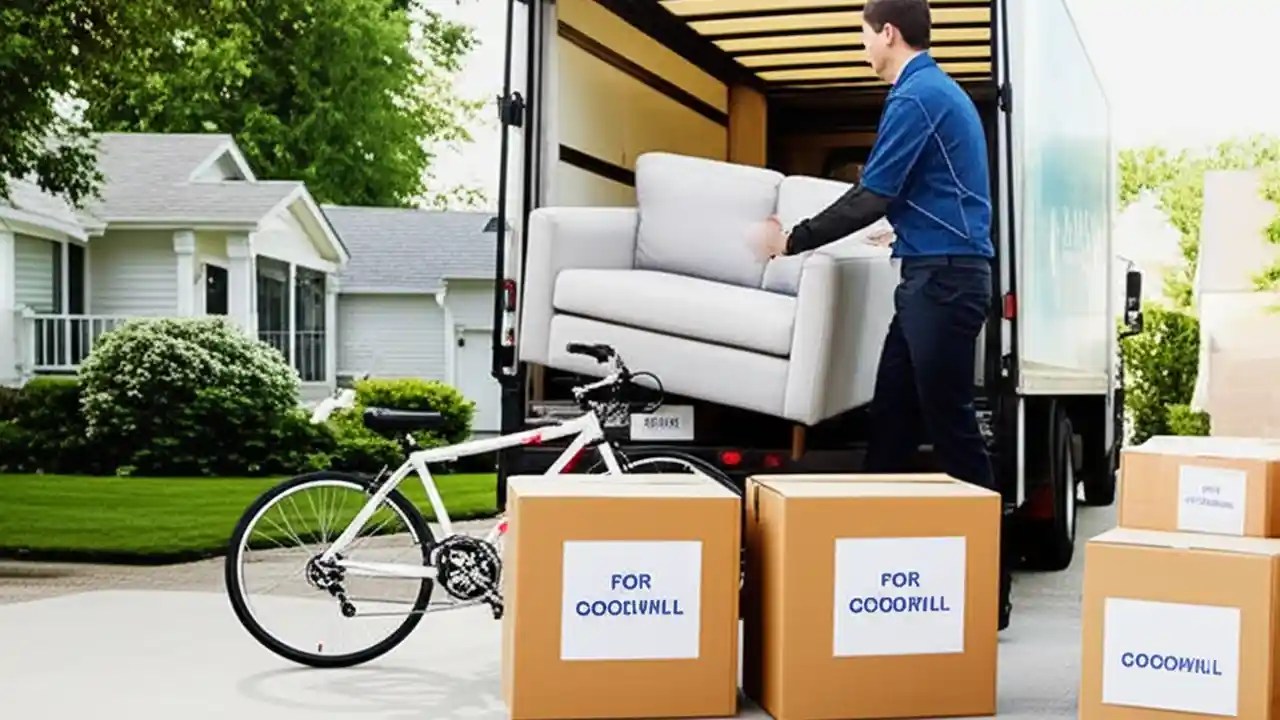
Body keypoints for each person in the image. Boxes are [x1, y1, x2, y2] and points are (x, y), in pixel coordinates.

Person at [755, 0, 1013, 631]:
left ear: (888, 33)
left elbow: (873, 192)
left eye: (864, 36)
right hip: (932, 273)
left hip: (943, 282)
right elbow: (934, 191)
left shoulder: (917, 96)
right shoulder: (933, 92)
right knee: (892, 418)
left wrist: (791, 240)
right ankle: (874, 569)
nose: (863, 47)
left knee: (952, 432)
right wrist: (905, 230)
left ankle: (990, 590)